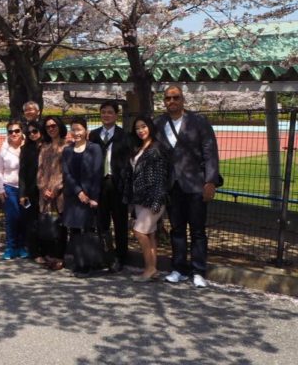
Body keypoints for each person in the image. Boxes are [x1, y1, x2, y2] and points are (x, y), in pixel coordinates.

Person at [156, 85, 220, 288]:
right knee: (177, 229)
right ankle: (178, 269)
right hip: (172, 185)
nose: (171, 101)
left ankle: (199, 270)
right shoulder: (159, 123)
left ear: (183, 100)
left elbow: (210, 152)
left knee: (198, 230)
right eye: (168, 98)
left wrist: (210, 181)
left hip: (196, 184)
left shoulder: (198, 121)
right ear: (164, 101)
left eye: (176, 98)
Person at [88, 100, 131, 273]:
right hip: (99, 183)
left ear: (116, 115)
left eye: (110, 112)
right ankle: (106, 255)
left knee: (120, 222)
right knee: (101, 222)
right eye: (103, 112)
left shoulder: (124, 135)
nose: (106, 115)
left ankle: (121, 257)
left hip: (117, 182)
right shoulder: (94, 135)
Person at [126, 116, 170, 282]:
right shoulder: (139, 147)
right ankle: (153, 268)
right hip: (140, 198)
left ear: (150, 127)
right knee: (150, 234)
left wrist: (157, 200)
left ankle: (149, 269)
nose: (141, 130)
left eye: (143, 126)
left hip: (152, 198)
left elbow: (160, 177)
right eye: (137, 128)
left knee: (139, 231)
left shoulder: (157, 149)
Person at [62, 116, 103, 278]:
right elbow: (67, 173)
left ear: (86, 130)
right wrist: (78, 191)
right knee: (75, 230)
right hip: (74, 196)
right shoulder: (67, 150)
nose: (76, 133)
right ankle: (78, 263)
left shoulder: (95, 148)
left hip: (90, 196)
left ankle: (89, 264)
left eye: (79, 129)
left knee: (87, 229)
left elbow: (97, 173)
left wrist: (93, 196)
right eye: (73, 129)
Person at [36, 116, 68, 270]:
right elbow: (40, 170)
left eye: (54, 125)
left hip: (60, 193)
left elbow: (66, 171)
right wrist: (43, 188)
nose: (51, 128)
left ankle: (59, 257)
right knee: (47, 224)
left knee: (60, 226)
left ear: (60, 126)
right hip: (45, 193)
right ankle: (49, 255)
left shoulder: (67, 146)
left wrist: (55, 189)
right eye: (48, 127)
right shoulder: (44, 147)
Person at [0, 119, 28, 260]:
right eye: (10, 131)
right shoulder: (4, 150)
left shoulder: (28, 147)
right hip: (10, 187)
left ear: (21, 132)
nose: (14, 134)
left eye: (17, 131)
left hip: (26, 188)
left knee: (24, 218)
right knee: (12, 218)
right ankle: (10, 247)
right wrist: (1, 189)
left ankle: (22, 246)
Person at [18, 120, 43, 260]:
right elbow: (22, 173)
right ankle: (35, 252)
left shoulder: (47, 146)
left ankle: (47, 250)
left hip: (46, 189)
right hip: (31, 190)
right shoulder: (26, 149)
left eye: (35, 131)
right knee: (32, 222)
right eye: (29, 132)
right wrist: (22, 193)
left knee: (45, 220)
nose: (33, 134)